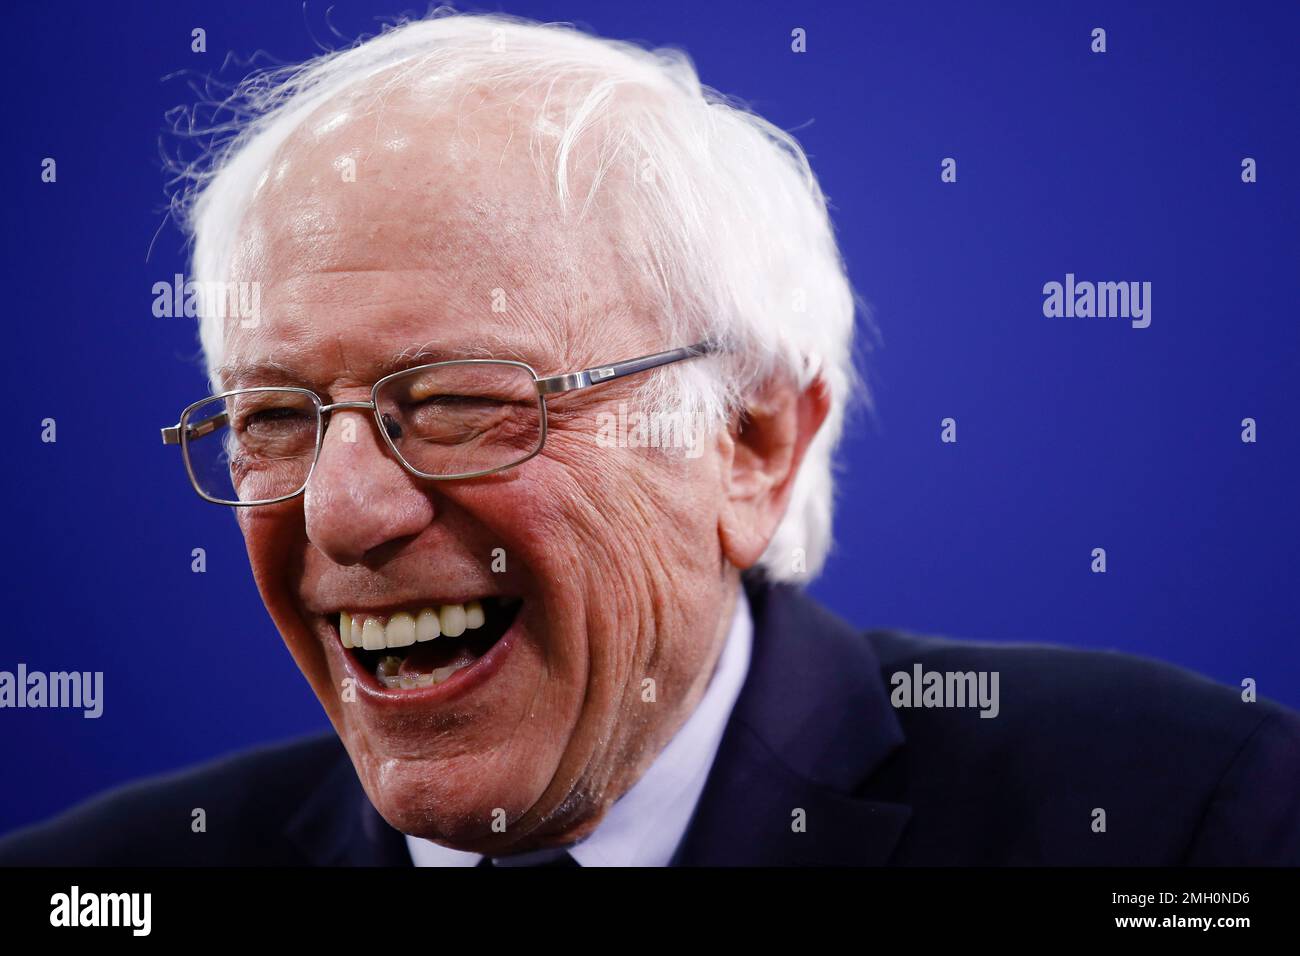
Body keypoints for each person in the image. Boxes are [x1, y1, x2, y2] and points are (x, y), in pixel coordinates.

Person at [3, 12, 1296, 866]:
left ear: (750, 443)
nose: (343, 512)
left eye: (457, 400)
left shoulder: (1186, 822)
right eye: (277, 418)